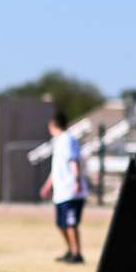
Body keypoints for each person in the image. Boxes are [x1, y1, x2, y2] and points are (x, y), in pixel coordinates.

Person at [40, 111, 88, 263]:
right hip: (60, 192)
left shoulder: (68, 140)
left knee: (70, 223)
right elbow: (56, 168)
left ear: (53, 124)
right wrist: (48, 185)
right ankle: (70, 250)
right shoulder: (58, 141)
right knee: (61, 224)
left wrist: (77, 181)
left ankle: (77, 254)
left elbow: (73, 161)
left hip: (71, 190)